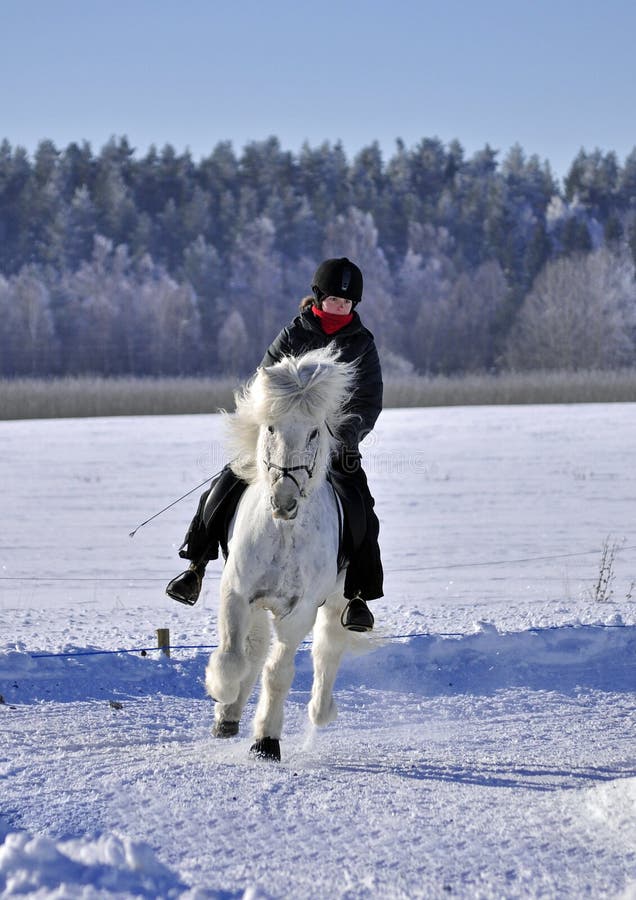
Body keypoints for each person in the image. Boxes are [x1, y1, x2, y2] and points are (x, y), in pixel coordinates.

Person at [166, 257, 383, 632]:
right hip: (283, 439)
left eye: (347, 303)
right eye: (334, 300)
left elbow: (368, 400)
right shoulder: (293, 335)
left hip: (333, 445)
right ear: (319, 297)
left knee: (362, 506)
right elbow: (262, 386)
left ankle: (359, 595)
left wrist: (339, 438)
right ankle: (196, 567)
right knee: (225, 485)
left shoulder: (361, 344)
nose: (340, 307)